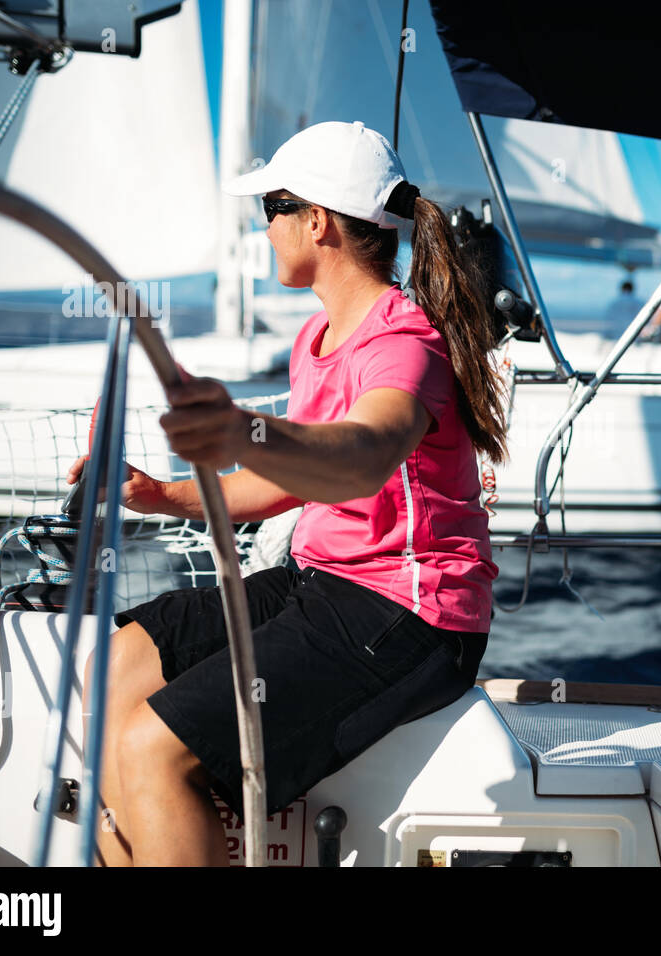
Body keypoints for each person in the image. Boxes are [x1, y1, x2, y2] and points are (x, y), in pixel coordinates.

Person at [66, 120, 508, 866]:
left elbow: (364, 452)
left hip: (412, 615)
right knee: (113, 669)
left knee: (150, 750)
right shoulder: (318, 340)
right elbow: (292, 477)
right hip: (323, 585)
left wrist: (244, 431)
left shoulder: (404, 344)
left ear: (317, 221)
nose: (261, 227)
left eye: (270, 207)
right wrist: (159, 494)